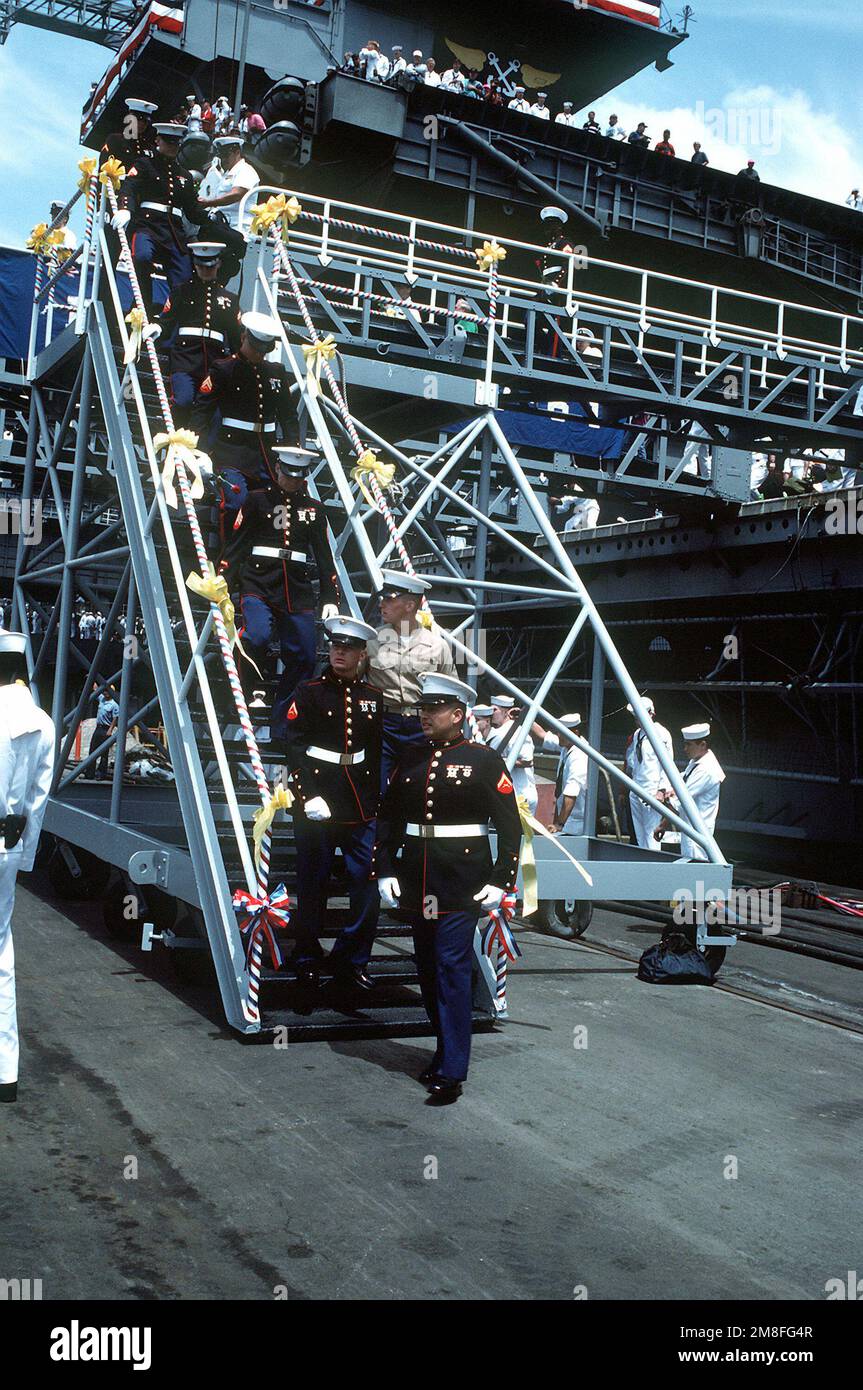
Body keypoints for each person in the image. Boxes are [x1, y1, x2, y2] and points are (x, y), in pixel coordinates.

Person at [373, 672, 522, 1105]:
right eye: (422, 707)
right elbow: (389, 816)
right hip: (419, 879)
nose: (424, 715)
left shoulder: (484, 760)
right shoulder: (411, 756)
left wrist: (501, 880)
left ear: (457, 715)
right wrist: (384, 868)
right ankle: (442, 1052)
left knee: (451, 968)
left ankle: (453, 1070)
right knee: (427, 970)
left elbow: (511, 828)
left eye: (434, 708)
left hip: (462, 882)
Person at [284, 615, 383, 988]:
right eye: (335, 646)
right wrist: (307, 795)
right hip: (317, 800)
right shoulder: (309, 691)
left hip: (358, 801)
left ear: (361, 653)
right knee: (313, 883)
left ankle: (352, 958)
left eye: (348, 647)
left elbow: (374, 753)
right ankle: (307, 954)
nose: (339, 652)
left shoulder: (373, 698)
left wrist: (376, 801)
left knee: (368, 882)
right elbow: (294, 747)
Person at [222, 447, 339, 737]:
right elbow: (237, 544)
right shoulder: (257, 500)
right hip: (258, 581)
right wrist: (223, 578)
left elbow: (325, 557)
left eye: (300, 475)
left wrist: (329, 597)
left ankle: (282, 720)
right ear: (277, 469)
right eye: (289, 473)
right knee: (257, 635)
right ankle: (247, 692)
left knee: (305, 657)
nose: (293, 480)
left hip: (296, 588)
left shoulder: (314, 510)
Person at [0, 631, 55, 1104]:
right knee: (1, 956)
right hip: (7, 846)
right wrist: (26, 856)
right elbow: (38, 802)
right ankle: (5, 1072)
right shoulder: (41, 721)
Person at [190, 311, 295, 532]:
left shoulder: (275, 371)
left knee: (276, 506)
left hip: (266, 452)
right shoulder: (224, 368)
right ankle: (227, 560)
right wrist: (200, 451)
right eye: (256, 347)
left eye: (264, 349)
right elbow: (202, 411)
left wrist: (292, 451)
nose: (259, 354)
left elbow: (288, 415)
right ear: (244, 337)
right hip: (231, 450)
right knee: (237, 503)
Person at [364, 570, 456, 789]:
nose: (382, 605)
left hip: (422, 727)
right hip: (382, 725)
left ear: (410, 605)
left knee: (419, 788)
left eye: (389, 599)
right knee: (376, 790)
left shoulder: (437, 645)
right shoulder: (371, 640)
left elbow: (450, 694)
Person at [113, 122, 203, 314]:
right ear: (157, 141)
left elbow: (193, 210)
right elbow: (129, 187)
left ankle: (168, 321)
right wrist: (125, 209)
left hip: (174, 233)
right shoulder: (145, 164)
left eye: (176, 143)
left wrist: (213, 216)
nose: (172, 146)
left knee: (184, 279)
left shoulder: (185, 176)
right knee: (142, 257)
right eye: (167, 141)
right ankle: (142, 306)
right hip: (148, 225)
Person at [155, 241, 241, 425]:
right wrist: (157, 328)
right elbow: (167, 321)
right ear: (195, 265)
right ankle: (174, 438)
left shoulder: (229, 299)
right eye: (201, 266)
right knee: (184, 400)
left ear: (218, 264)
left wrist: (239, 361)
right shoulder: (182, 291)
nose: (205, 271)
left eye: (209, 266)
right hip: (185, 359)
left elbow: (235, 335)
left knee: (213, 415)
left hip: (214, 362)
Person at [657, 722, 725, 861]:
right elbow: (682, 781)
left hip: (697, 834)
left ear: (702, 745)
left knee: (697, 875)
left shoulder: (706, 770)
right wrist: (670, 790)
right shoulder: (697, 762)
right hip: (690, 829)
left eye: (689, 744)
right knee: (692, 873)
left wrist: (662, 824)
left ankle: (700, 884)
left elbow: (681, 800)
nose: (685, 749)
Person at [623, 697, 674, 850]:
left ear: (651, 714)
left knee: (651, 833)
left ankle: (652, 865)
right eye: (636, 717)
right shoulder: (638, 734)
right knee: (640, 835)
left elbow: (667, 764)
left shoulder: (661, 734)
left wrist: (662, 789)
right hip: (637, 787)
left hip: (652, 789)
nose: (638, 720)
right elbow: (632, 761)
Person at [532, 713, 587, 834]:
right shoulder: (567, 745)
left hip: (575, 822)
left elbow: (571, 794)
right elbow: (542, 735)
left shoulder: (580, 756)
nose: (558, 735)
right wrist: (525, 716)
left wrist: (559, 824)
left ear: (575, 733)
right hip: (568, 819)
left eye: (562, 733)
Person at [197, 133, 260, 234]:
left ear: (237, 152)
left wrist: (209, 203)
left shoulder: (245, 170)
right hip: (223, 223)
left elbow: (237, 194)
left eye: (226, 155)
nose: (224, 159)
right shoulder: (226, 174)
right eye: (221, 156)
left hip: (238, 226)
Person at [99, 97, 158, 167]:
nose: (142, 124)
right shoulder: (115, 140)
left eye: (146, 121)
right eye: (139, 119)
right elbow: (104, 165)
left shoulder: (149, 148)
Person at [87, 682, 119, 780]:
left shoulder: (114, 704)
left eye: (108, 691)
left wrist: (110, 730)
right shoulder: (102, 699)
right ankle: (89, 774)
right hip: (98, 728)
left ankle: (101, 774)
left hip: (106, 729)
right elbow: (96, 689)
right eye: (105, 691)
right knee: (92, 751)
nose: (106, 693)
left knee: (104, 753)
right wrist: (92, 678)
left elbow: (115, 718)